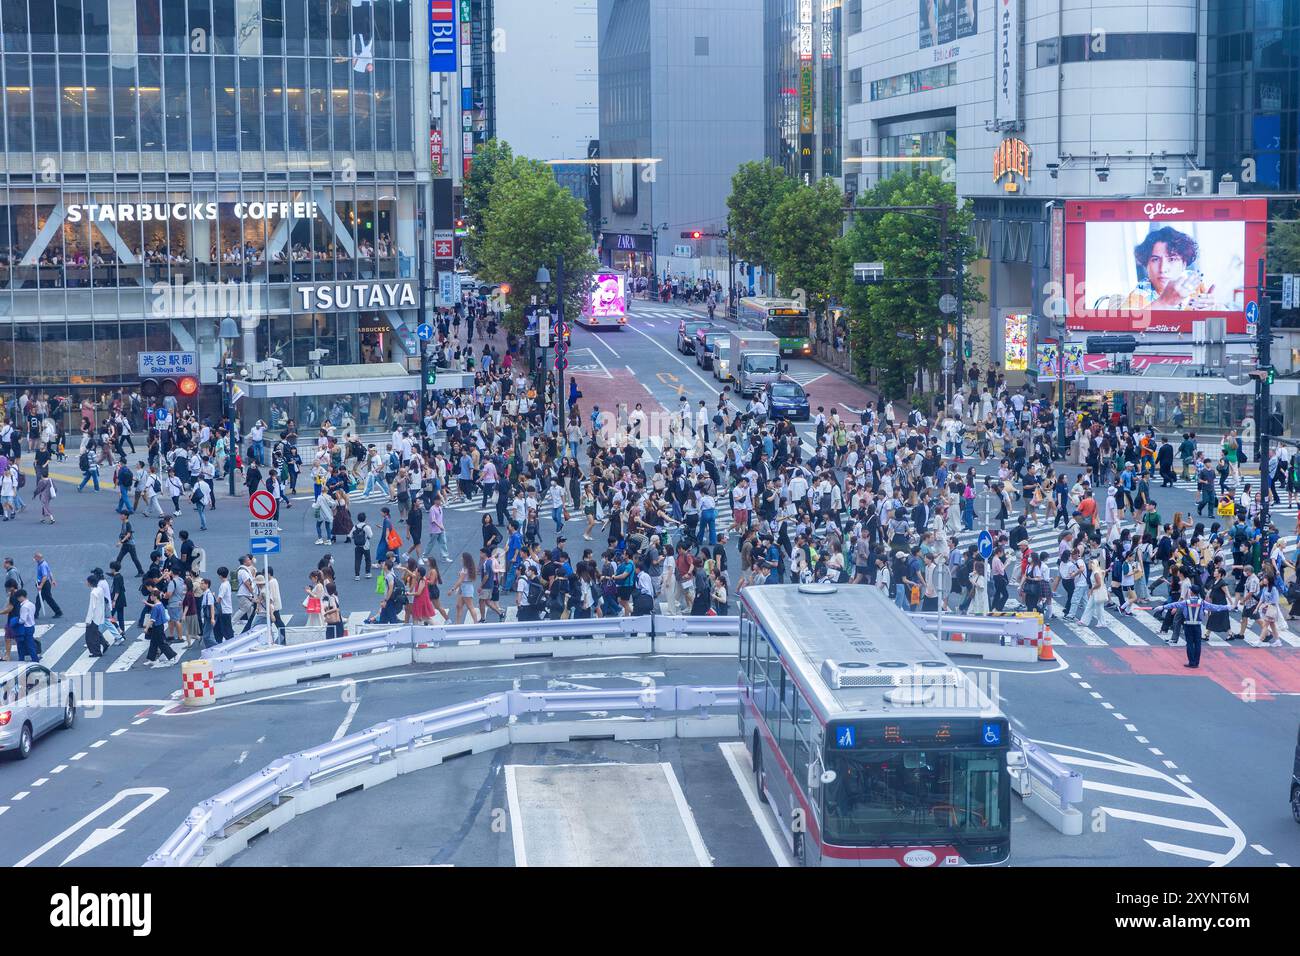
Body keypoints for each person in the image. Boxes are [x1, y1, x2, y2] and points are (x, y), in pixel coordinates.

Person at [1151, 590, 1234, 668]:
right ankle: (1196, 662)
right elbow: (1215, 607)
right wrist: (1227, 607)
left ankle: (1191, 662)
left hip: (1188, 625)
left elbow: (1175, 605)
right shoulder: (1202, 602)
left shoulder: (1186, 602)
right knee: (1197, 644)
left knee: (1190, 643)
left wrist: (1163, 607)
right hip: (1197, 625)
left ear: (1191, 593)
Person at [143, 590, 177, 666]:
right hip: (160, 626)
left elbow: (152, 620)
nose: (150, 597)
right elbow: (154, 606)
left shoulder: (155, 607)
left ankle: (173, 655)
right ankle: (151, 659)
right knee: (153, 643)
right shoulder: (160, 604)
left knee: (161, 643)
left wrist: (146, 628)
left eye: (152, 596)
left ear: (155, 597)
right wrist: (147, 603)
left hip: (157, 627)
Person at [82, 574, 109, 657]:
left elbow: (91, 608)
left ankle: (96, 652)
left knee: (90, 636)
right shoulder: (99, 589)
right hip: (99, 614)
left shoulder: (93, 593)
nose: (86, 582)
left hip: (94, 617)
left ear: (90, 583)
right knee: (95, 632)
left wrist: (88, 620)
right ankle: (104, 643)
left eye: (87, 581)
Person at [33, 552, 62, 619]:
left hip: (44, 584)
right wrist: (52, 580)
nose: (34, 559)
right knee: (42, 599)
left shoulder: (42, 565)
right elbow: (49, 572)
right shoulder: (44, 563)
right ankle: (35, 614)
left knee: (45, 599)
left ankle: (58, 612)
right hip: (45, 584)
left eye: (35, 557)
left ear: (38, 558)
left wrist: (41, 586)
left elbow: (45, 576)